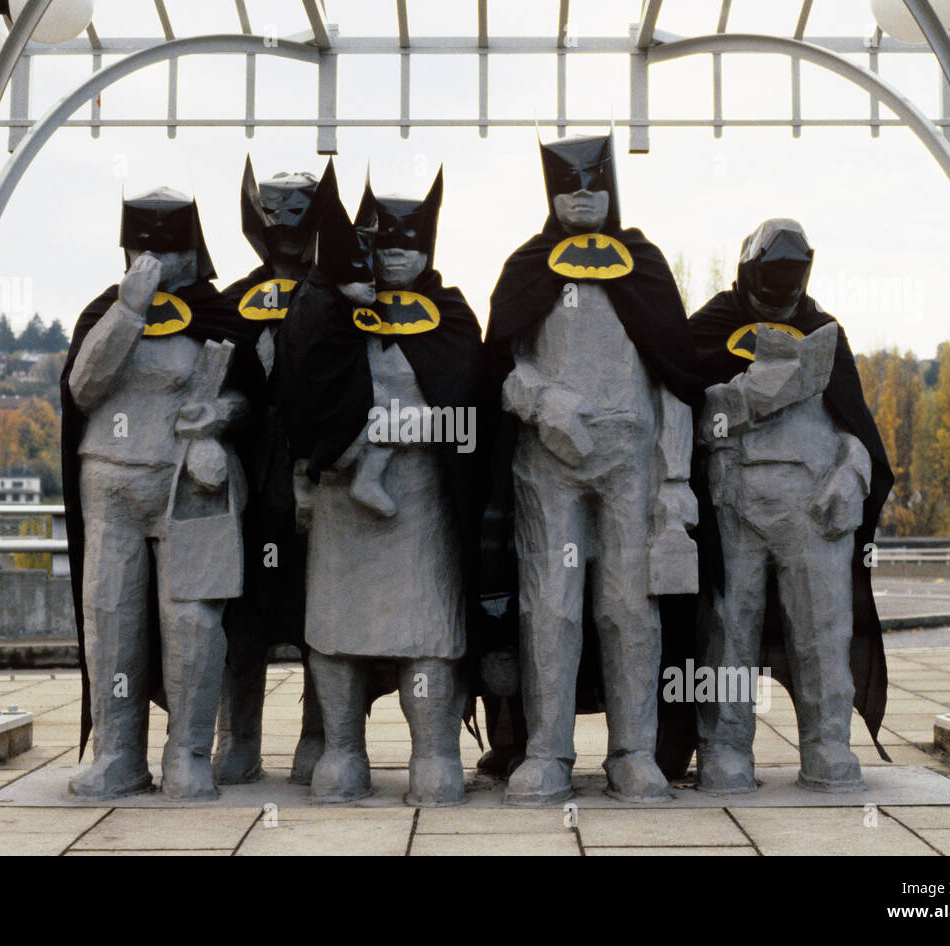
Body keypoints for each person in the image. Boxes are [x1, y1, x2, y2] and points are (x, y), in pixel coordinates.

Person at [484, 132, 705, 805]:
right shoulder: (530, 266)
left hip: (631, 460)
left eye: (594, 185)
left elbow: (675, 374)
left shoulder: (641, 264)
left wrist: (674, 476)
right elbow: (500, 363)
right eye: (568, 186)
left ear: (613, 190)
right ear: (549, 192)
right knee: (549, 603)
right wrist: (540, 399)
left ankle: (635, 750)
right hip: (546, 461)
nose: (582, 198)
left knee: (628, 607)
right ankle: (547, 750)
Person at [277, 163, 485, 806]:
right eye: (384, 244)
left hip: (422, 502)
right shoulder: (329, 308)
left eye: (410, 245)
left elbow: (473, 407)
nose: (396, 256)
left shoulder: (450, 315)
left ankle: (434, 753)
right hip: (344, 501)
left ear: (429, 247)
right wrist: (330, 301)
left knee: (426, 633)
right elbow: (298, 389)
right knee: (337, 632)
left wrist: (419, 424)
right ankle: (342, 749)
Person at [60, 188, 264, 799]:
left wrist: (220, 416)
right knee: (110, 617)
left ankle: (189, 754)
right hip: (112, 479)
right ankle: (118, 753)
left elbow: (250, 397)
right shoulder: (107, 310)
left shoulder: (214, 313)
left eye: (168, 248)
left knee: (196, 622)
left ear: (193, 253)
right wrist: (128, 310)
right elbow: (85, 387)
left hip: (189, 480)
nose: (154, 258)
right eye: (141, 246)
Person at [687, 218, 893, 793]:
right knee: (729, 627)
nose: (780, 295)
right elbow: (677, 414)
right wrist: (743, 398)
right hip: (734, 503)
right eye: (769, 282)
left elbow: (858, 427)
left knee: (823, 628)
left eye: (790, 282)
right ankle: (725, 747)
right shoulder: (710, 328)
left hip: (814, 506)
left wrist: (852, 473)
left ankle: (827, 742)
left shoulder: (824, 330)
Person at [213, 159, 326, 786]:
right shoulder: (232, 304)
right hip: (251, 490)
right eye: (272, 208)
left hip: (322, 485)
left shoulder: (343, 298)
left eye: (299, 208)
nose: (285, 223)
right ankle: (239, 738)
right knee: (242, 618)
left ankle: (321, 735)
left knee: (322, 617)